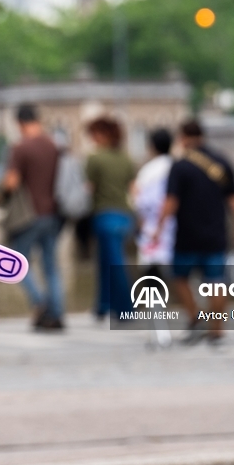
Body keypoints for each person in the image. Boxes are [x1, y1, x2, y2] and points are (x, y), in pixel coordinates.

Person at [155, 120, 234, 344]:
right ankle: (217, 330)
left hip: (187, 235)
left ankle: (196, 318)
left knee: (180, 277)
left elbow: (171, 202)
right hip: (216, 234)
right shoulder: (221, 162)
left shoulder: (180, 166)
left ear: (182, 137)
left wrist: (157, 228)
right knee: (216, 282)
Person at [1, 104, 65, 330]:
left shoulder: (21, 148)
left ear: (20, 123)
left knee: (17, 263)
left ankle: (40, 303)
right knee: (51, 267)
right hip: (53, 214)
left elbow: (11, 182)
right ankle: (56, 313)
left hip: (29, 216)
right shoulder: (53, 146)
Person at [85, 116, 137, 321]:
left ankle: (125, 308)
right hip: (125, 216)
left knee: (115, 264)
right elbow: (133, 189)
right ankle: (102, 304)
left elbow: (89, 188)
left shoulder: (95, 158)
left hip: (105, 214)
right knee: (107, 261)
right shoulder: (126, 159)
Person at [132, 128, 176, 347]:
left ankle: (159, 329)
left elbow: (138, 203)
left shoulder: (147, 172)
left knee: (153, 283)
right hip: (176, 234)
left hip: (152, 235)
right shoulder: (178, 167)